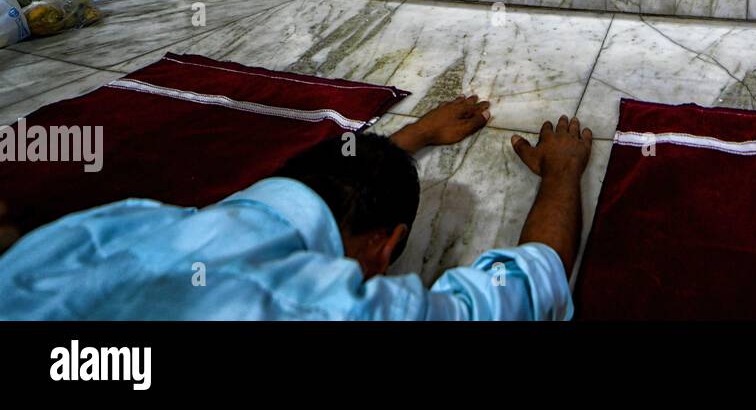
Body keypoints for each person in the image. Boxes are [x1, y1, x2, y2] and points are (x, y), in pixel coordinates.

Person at [0, 96, 593, 320]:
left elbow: (275, 205)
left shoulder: (111, 226)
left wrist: (409, 138)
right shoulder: (332, 309)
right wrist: (562, 172)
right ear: (386, 248)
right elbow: (531, 278)